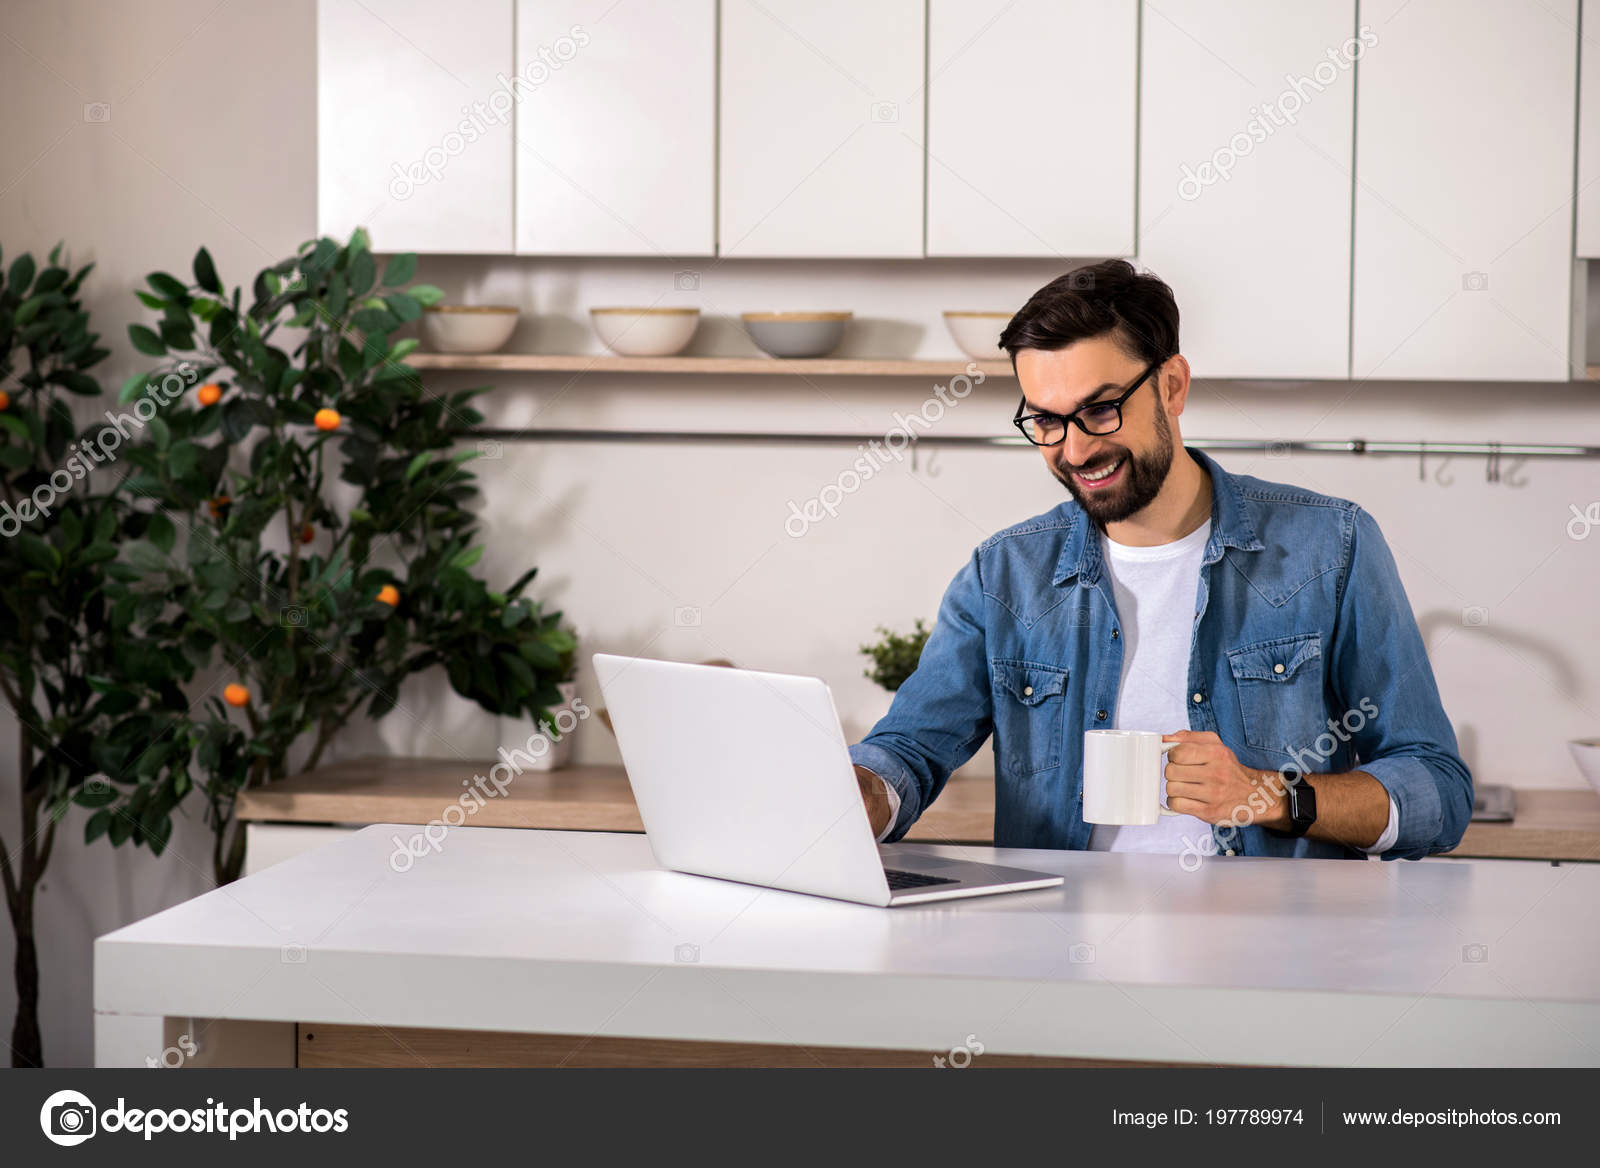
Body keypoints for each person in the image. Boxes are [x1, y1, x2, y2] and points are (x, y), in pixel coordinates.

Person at [850, 259, 1472, 861]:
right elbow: (907, 750)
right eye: (1046, 419)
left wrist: (1274, 796)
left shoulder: (1332, 547)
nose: (1075, 448)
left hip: (1271, 953)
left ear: (1171, 386)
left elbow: (1438, 792)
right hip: (1057, 952)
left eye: (1099, 409)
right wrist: (861, 792)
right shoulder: (1004, 574)